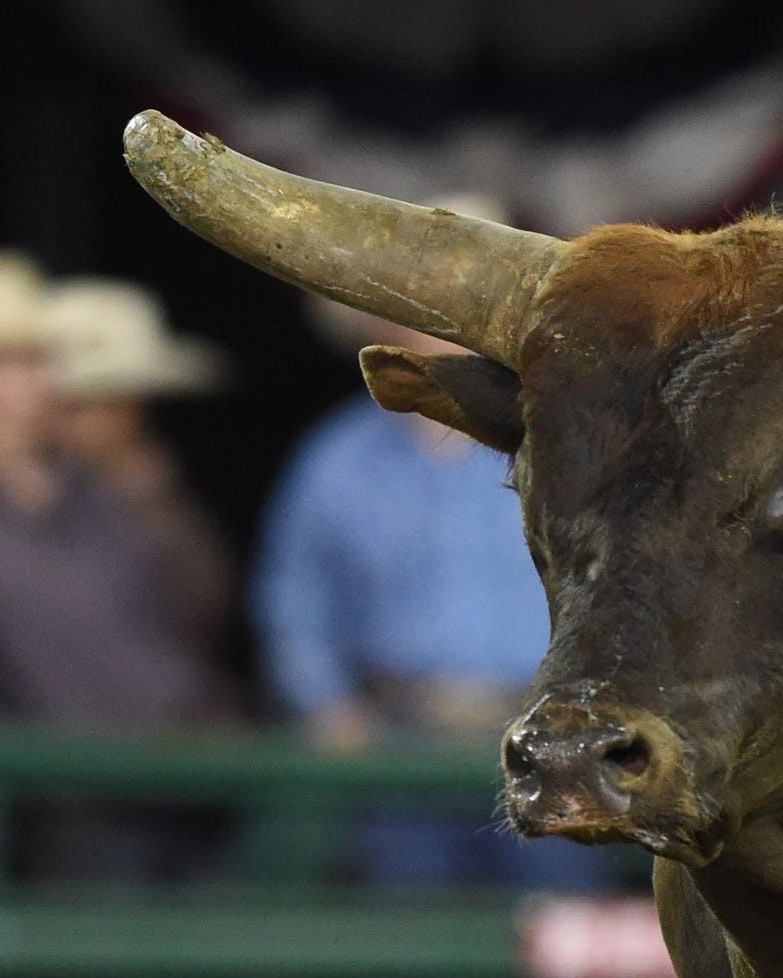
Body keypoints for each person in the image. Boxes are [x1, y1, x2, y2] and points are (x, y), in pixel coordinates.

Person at [256, 199, 607, 890]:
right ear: (379, 320)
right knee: (404, 928)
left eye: (458, 301)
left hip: (545, 736)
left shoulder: (566, 446)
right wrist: (328, 711)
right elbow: (295, 602)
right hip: (400, 744)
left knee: (558, 942)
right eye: (416, 301)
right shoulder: (337, 459)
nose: (438, 322)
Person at [0, 250, 235, 734]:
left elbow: (188, 621)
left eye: (47, 358)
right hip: (19, 793)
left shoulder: (100, 498)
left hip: (169, 777)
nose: (47, 378)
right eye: (20, 360)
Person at [44, 277, 237, 659]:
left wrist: (153, 503)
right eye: (81, 404)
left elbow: (209, 605)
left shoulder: (155, 485)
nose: (119, 420)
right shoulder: (25, 497)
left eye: (125, 403)